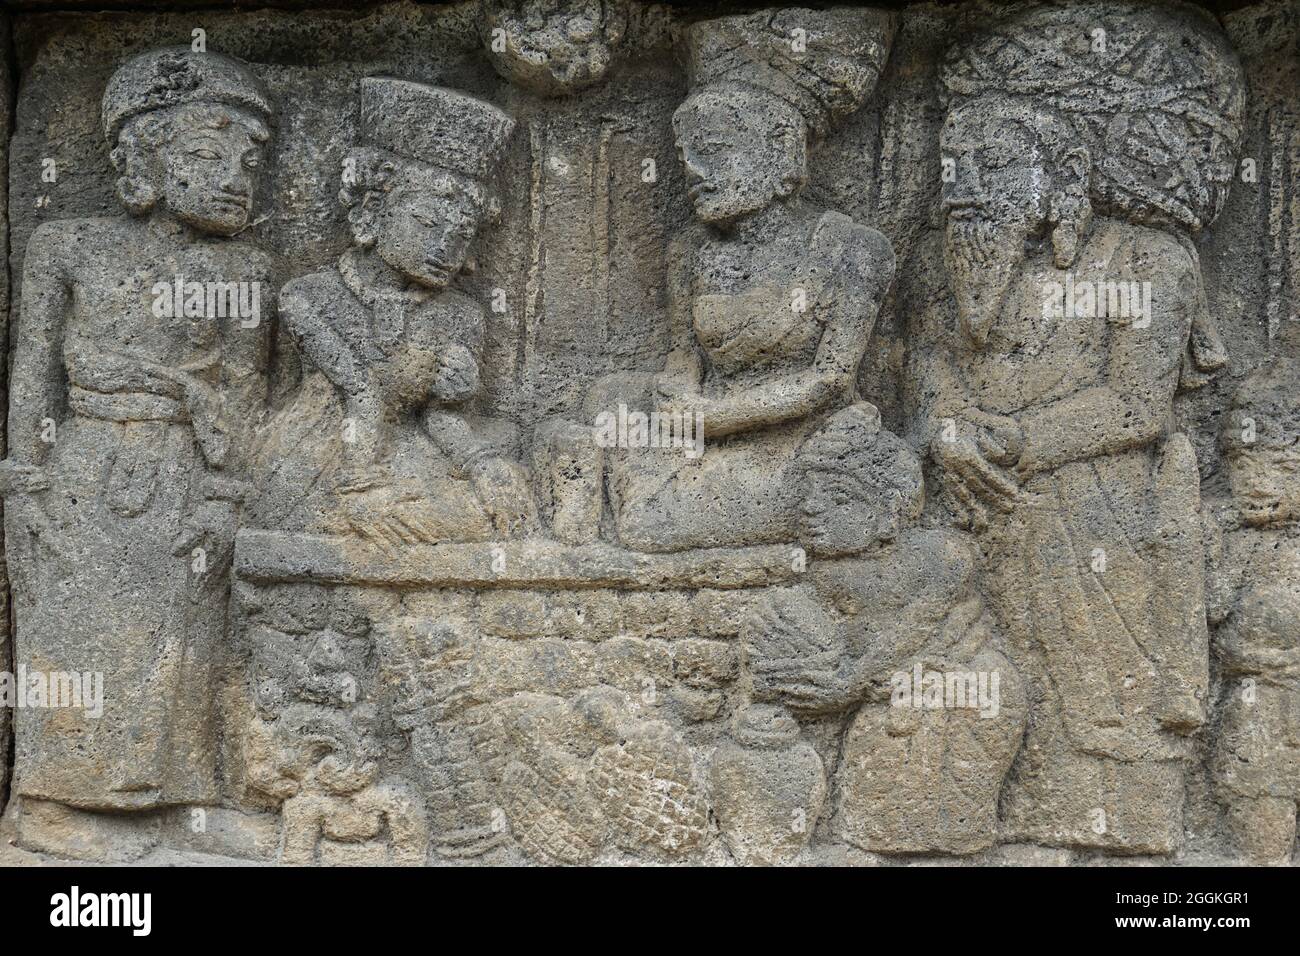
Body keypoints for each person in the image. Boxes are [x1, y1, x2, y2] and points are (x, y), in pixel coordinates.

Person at [904, 1, 1245, 852]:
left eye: (989, 164)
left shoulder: (1148, 261)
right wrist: (946, 429)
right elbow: (927, 375)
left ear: (1062, 170)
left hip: (1108, 519)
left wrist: (1014, 439)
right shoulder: (941, 272)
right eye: (953, 169)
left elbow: (1136, 405)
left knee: (1108, 715)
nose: (966, 189)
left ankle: (1126, 849)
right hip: (983, 516)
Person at [1, 48, 277, 810]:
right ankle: (55, 805)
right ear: (141, 162)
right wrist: (23, 487)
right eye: (204, 155)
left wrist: (224, 499)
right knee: (75, 630)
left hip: (183, 469)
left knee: (183, 646)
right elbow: (34, 376)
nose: (232, 178)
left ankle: (177, 804)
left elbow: (243, 393)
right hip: (82, 470)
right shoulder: (68, 247)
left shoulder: (244, 272)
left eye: (248, 163)